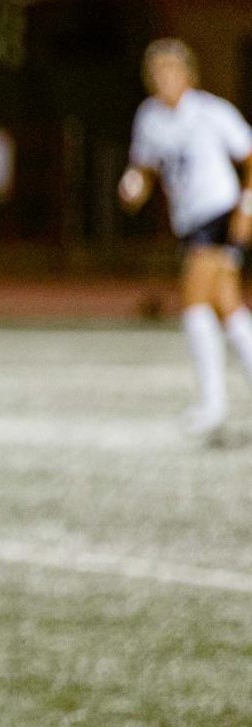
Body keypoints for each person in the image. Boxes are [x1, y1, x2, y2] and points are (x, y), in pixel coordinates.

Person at [120, 38, 252, 440]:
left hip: (219, 212)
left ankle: (213, 406)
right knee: (229, 309)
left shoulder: (212, 112)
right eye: (157, 72)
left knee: (194, 303)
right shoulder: (150, 117)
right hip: (189, 219)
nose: (165, 78)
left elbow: (250, 156)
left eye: (171, 70)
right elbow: (144, 166)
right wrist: (134, 184)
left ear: (189, 74)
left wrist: (247, 210)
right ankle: (215, 404)